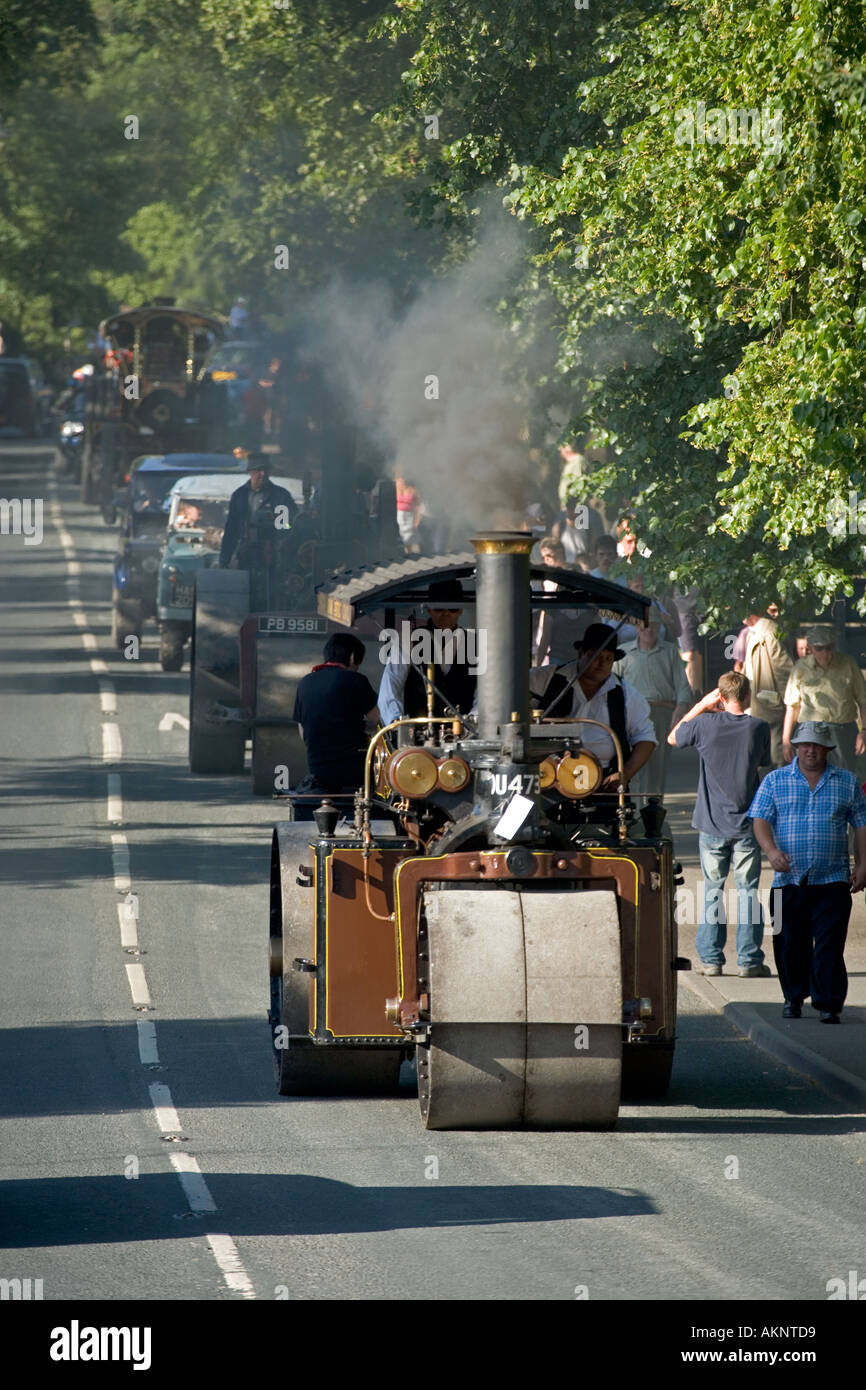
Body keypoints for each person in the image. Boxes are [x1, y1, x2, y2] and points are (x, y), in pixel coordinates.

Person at [749, 722, 866, 1022]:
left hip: (833, 878)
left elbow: (861, 826)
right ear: (795, 747)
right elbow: (760, 819)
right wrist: (772, 852)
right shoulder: (775, 781)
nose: (811, 750)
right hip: (787, 879)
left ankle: (828, 1004)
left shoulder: (847, 782)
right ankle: (793, 997)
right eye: (805, 744)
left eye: (817, 745)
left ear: (827, 749)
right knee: (789, 943)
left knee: (829, 944)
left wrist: (863, 865)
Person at [668, 672, 772, 976]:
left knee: (713, 889)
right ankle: (749, 961)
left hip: (712, 823)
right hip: (747, 823)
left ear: (721, 697)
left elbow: (673, 737)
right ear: (748, 696)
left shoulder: (703, 725)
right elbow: (761, 762)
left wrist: (701, 705)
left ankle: (712, 960)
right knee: (748, 891)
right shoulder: (758, 728)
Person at [531, 623, 656, 791]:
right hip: (549, 780)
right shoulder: (543, 680)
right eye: (595, 656)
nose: (601, 664)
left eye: (608, 658)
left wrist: (624, 774)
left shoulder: (626, 694)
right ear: (581, 653)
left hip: (603, 784)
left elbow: (646, 738)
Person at [614, 606, 692, 797]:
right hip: (631, 717)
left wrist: (678, 714)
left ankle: (655, 816)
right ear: (636, 627)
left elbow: (683, 687)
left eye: (653, 626)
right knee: (633, 766)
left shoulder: (670, 651)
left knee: (658, 767)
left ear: (659, 628)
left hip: (661, 714)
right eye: (644, 626)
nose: (648, 630)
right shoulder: (623, 653)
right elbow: (612, 689)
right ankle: (632, 814)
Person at [378, 579, 477, 725]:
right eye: (439, 608)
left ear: (461, 610)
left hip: (464, 737)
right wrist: (397, 723)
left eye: (453, 608)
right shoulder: (408, 641)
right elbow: (390, 687)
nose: (446, 613)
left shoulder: (475, 645)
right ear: (429, 609)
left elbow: (483, 694)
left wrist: (473, 721)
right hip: (417, 738)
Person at [293, 634, 380, 792]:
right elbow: (380, 719)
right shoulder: (355, 680)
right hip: (354, 773)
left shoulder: (305, 682)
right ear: (353, 657)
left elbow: (303, 731)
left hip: (317, 772)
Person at [782, 625, 866, 771]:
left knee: (843, 777)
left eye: (829, 648)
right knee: (809, 778)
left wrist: (864, 731)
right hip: (810, 732)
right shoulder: (800, 668)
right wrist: (786, 740)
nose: (825, 653)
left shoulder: (847, 664)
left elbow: (863, 700)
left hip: (842, 732)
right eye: (820, 649)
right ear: (810, 648)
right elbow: (792, 706)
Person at [219, 454, 298, 569]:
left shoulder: (281, 496)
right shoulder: (239, 496)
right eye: (259, 470)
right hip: (246, 556)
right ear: (250, 472)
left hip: (273, 557)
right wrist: (224, 560)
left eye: (265, 470)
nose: (263, 474)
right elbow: (231, 529)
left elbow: (286, 527)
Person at [742, 605, 794, 768]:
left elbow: (784, 671)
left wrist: (790, 707)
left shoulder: (769, 632)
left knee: (775, 759)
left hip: (771, 707)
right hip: (757, 705)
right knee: (761, 759)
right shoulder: (754, 632)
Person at [533, 539, 597, 664]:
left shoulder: (590, 609)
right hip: (557, 657)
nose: (546, 559)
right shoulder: (551, 604)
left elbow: (596, 636)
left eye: (549, 555)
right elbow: (545, 639)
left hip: (582, 659)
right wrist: (537, 667)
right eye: (543, 557)